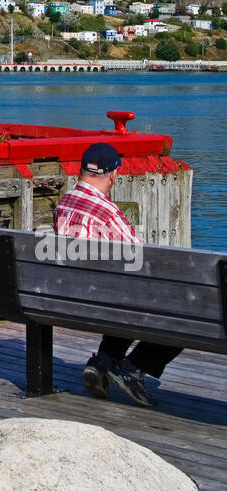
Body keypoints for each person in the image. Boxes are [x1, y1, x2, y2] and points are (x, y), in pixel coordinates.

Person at [53, 141, 182, 407]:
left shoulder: (64, 203)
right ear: (113, 176)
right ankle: (132, 368)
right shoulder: (107, 212)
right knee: (179, 312)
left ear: (81, 172)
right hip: (103, 303)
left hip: (66, 299)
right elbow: (140, 256)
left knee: (120, 291)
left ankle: (102, 362)